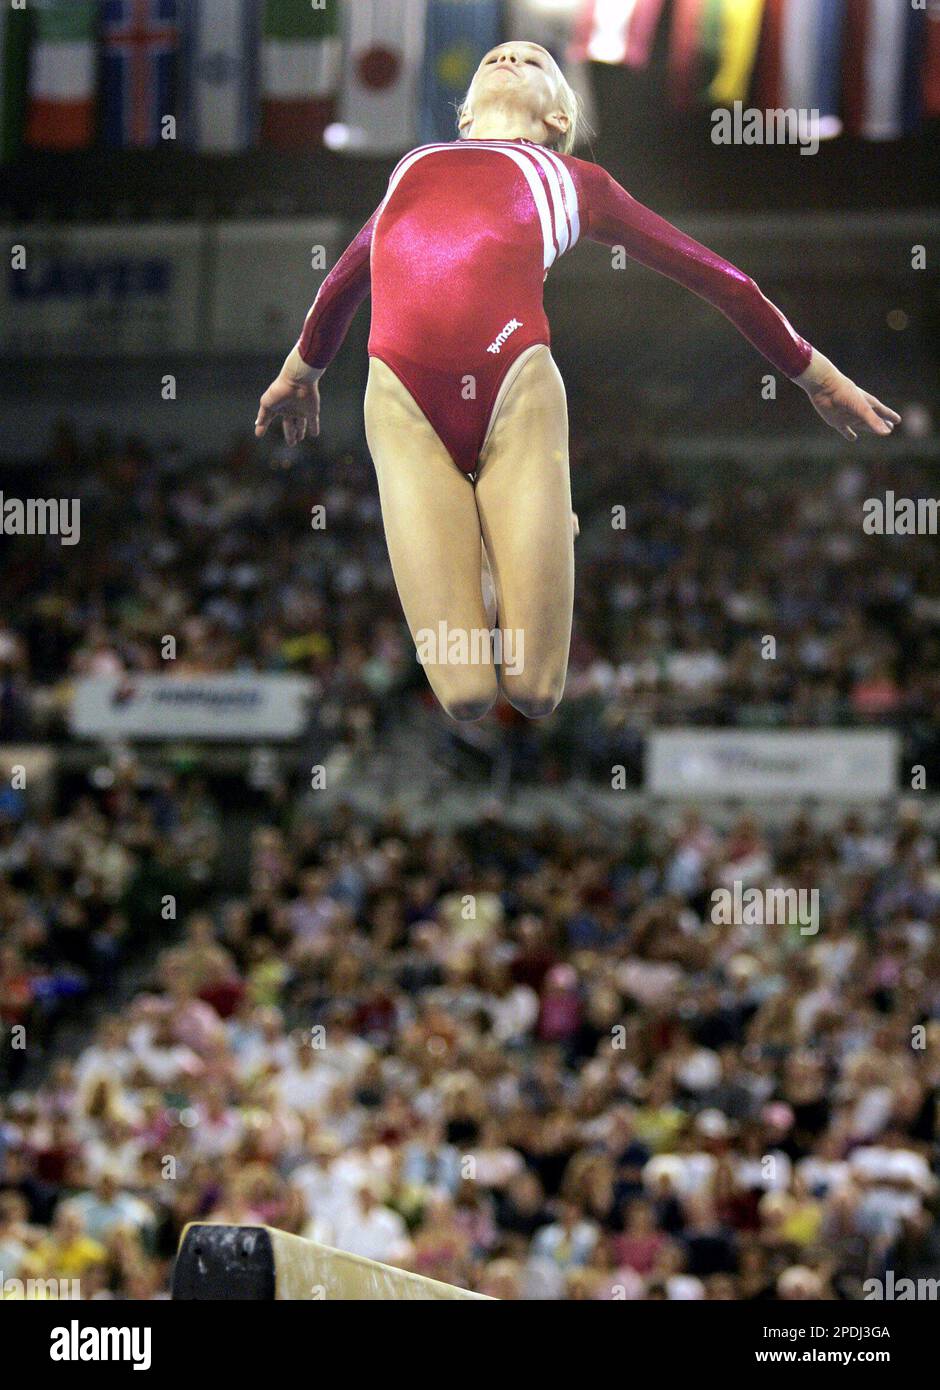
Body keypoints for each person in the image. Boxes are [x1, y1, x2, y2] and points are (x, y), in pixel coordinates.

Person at [255, 41, 899, 725]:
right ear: (466, 115)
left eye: (533, 60)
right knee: (468, 695)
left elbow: (721, 279)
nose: (508, 57)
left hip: (517, 393)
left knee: (534, 692)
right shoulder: (416, 164)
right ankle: (505, 538)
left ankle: (535, 529)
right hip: (404, 403)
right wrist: (302, 369)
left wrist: (814, 375)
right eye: (496, 55)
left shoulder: (575, 182)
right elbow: (351, 272)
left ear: (560, 116)